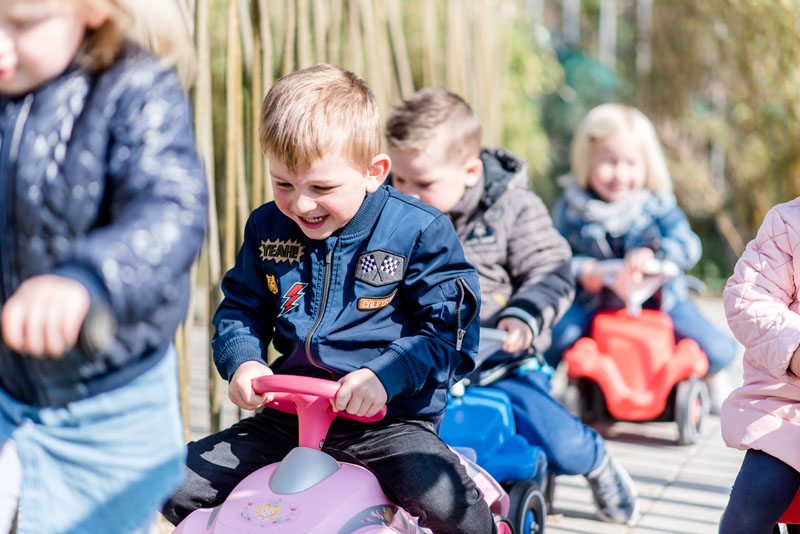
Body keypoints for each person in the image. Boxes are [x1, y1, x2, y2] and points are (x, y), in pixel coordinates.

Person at [161, 64, 501, 534]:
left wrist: (386, 375)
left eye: (321, 187)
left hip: (388, 422)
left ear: (374, 173)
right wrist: (243, 362)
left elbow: (449, 333)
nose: (301, 204)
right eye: (283, 184)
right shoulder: (267, 228)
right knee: (173, 483)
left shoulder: (420, 230)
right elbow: (241, 308)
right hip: (290, 416)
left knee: (450, 508)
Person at [386, 87, 639, 524]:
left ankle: (596, 460)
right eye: (399, 181)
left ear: (469, 171)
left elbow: (552, 270)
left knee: (559, 440)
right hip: (421, 368)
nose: (408, 195)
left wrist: (520, 316)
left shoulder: (513, 210)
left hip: (500, 361)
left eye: (423, 184)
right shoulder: (392, 217)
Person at [0, 0, 207, 533]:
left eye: (22, 24)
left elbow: (170, 209)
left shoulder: (134, 89)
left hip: (108, 405)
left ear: (91, 9)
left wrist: (87, 280)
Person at [544, 103, 737, 407]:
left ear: (647, 165)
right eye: (609, 162)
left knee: (717, 349)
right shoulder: (573, 208)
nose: (620, 174)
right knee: (555, 339)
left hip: (659, 301)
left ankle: (708, 378)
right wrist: (586, 269)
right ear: (587, 160)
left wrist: (654, 253)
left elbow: (688, 244)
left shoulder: (657, 206)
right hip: (595, 302)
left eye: (630, 163)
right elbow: (553, 253)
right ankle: (543, 390)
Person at [718, 196, 800, 533]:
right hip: (787, 410)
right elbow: (749, 298)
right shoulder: (788, 222)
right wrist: (795, 350)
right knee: (746, 516)